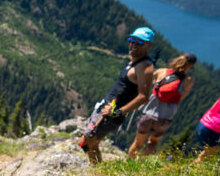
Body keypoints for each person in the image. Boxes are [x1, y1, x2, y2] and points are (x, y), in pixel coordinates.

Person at [78, 27, 157, 165]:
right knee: (88, 143)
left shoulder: (144, 66)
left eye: (139, 42)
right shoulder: (135, 61)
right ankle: (97, 170)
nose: (133, 45)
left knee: (87, 143)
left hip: (110, 115)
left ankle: (98, 172)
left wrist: (118, 112)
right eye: (131, 40)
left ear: (148, 45)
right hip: (105, 108)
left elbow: (143, 97)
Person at [127, 52, 197, 159]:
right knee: (153, 143)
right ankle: (140, 163)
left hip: (147, 113)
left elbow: (146, 82)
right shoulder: (188, 81)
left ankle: (128, 162)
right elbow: (180, 98)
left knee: (137, 143)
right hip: (164, 118)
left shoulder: (161, 71)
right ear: (190, 66)